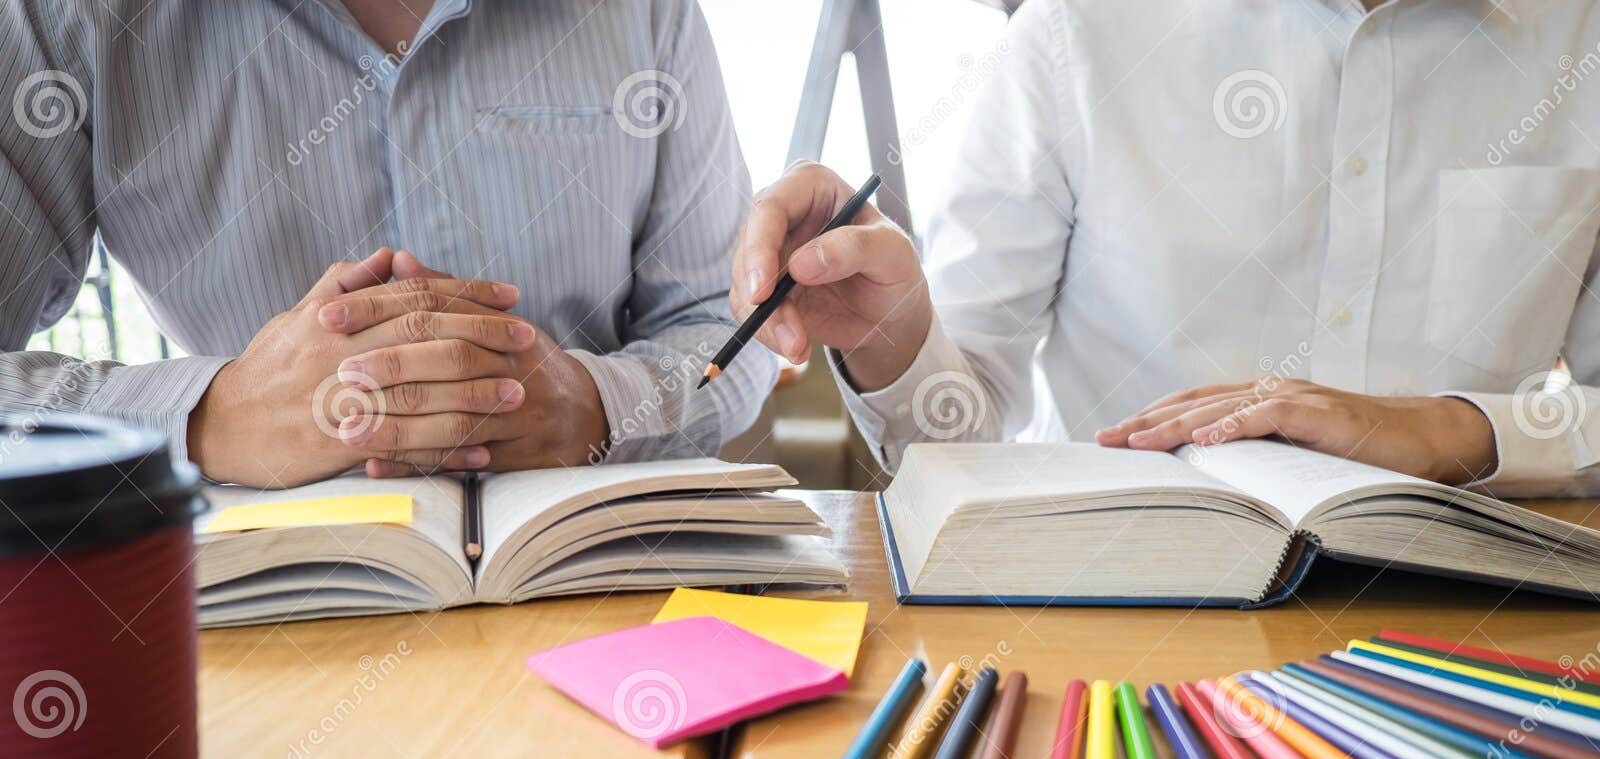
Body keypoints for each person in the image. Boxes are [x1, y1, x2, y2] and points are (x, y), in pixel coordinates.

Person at [732, 0, 1600, 496]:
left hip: (1473, 631)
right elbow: (962, 434)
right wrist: (889, 335)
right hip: (1122, 625)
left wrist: (1458, 431)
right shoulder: (1082, 29)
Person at [0, 0, 772, 487]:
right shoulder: (61, 18)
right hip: (259, 615)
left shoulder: (646, 12)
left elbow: (726, 322)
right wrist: (209, 419)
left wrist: (599, 410)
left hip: (594, 587)